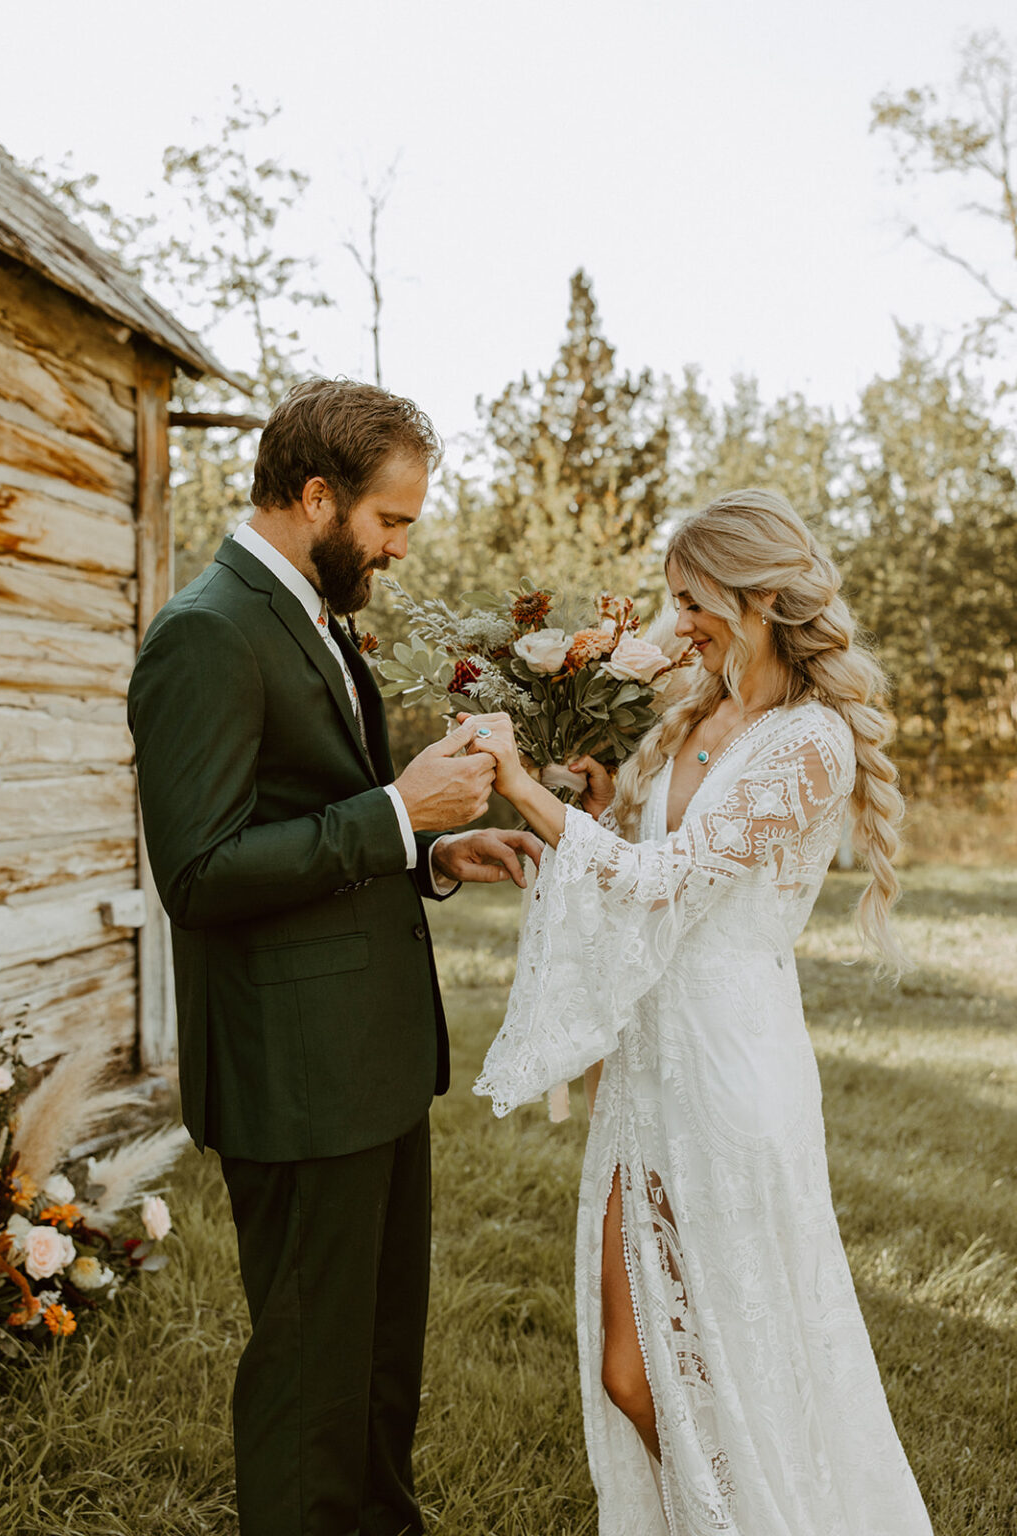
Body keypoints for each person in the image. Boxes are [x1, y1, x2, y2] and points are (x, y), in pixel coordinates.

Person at [469, 489, 934, 1536]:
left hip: (732, 1063)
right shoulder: (700, 712)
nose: (676, 623)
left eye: (691, 600)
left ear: (758, 597)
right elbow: (632, 859)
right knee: (632, 1366)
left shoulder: (809, 743)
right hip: (653, 1062)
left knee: (736, 1354)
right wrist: (583, 799)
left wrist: (519, 788)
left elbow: (670, 881)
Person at [127, 378, 540, 1536]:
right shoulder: (207, 634)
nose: (400, 548)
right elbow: (200, 873)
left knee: (374, 1364)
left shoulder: (304, 612)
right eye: (390, 521)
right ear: (318, 497)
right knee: (312, 1385)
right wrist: (399, 814)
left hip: (366, 1066)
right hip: (294, 1079)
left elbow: (311, 814)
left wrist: (436, 852)